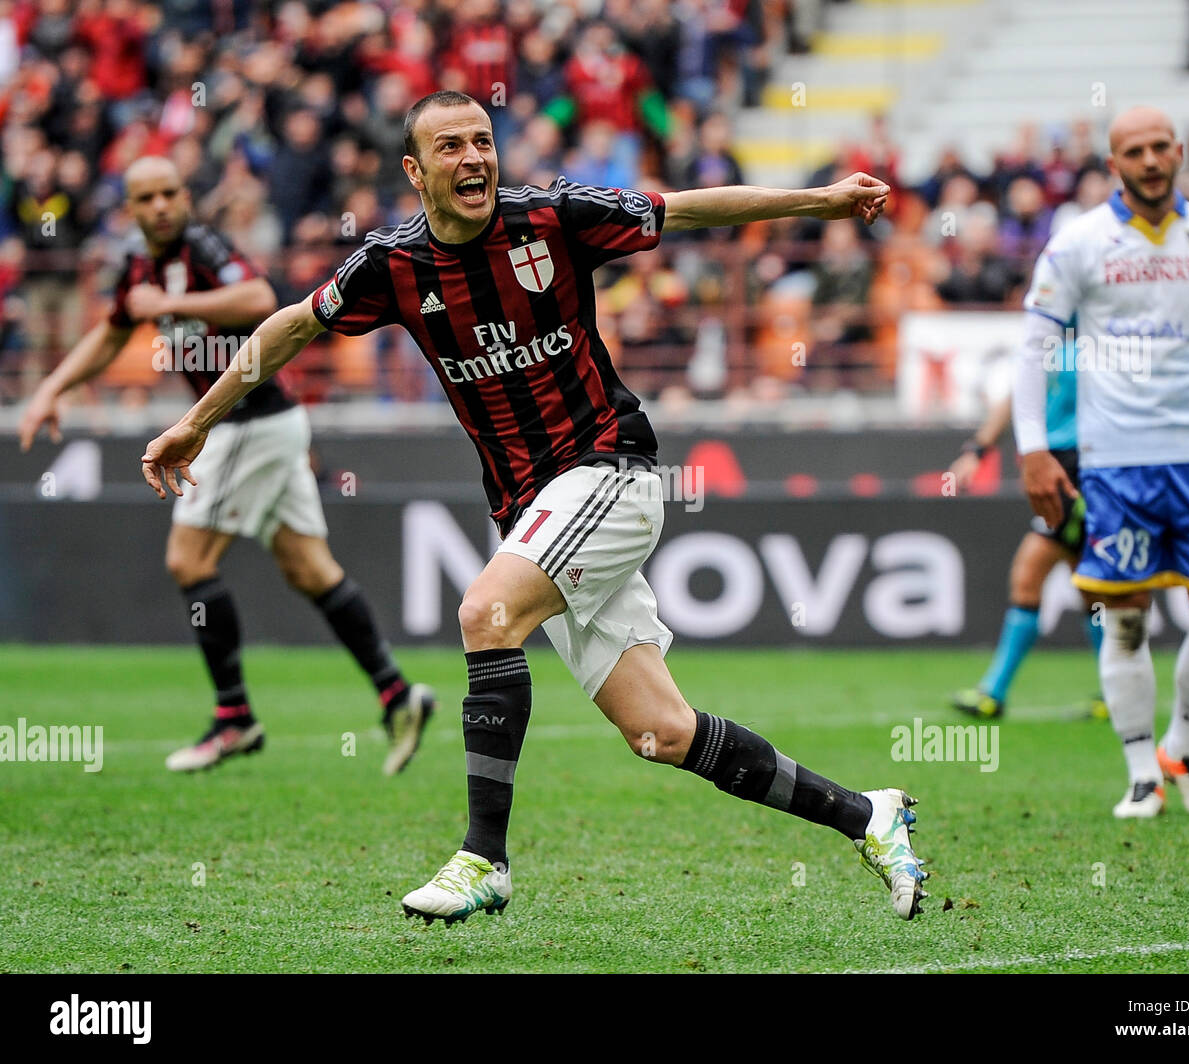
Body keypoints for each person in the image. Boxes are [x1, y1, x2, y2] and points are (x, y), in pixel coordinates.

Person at [141, 91, 929, 923]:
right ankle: (867, 815)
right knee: (660, 732)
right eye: (450, 147)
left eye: (482, 140)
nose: (474, 158)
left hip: (609, 472)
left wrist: (823, 198)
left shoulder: (554, 217)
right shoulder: (393, 265)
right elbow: (292, 327)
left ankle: (484, 858)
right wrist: (196, 422)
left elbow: (688, 209)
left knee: (486, 609)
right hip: (531, 508)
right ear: (415, 171)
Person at [19, 156, 434, 776]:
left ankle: (234, 718)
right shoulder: (142, 263)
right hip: (271, 426)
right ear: (130, 210)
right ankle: (397, 693)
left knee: (188, 560)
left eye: (169, 193)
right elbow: (112, 330)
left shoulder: (203, 246)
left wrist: (174, 298)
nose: (160, 206)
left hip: (246, 424)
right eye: (146, 199)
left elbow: (260, 298)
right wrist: (53, 386)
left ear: (185, 195)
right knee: (311, 569)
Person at [1012, 107, 1189, 818]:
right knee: (1125, 619)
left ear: (1178, 153)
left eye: (1159, 147)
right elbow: (1033, 343)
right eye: (1132, 150)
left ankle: (1185, 747)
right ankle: (1142, 769)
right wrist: (1032, 447)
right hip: (1116, 462)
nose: (1148, 160)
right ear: (1114, 164)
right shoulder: (1079, 242)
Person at [947, 377, 1108, 721]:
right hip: (1055, 466)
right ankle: (1116, 694)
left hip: (1083, 470)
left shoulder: (1099, 342)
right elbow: (1018, 393)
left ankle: (993, 692)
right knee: (1090, 590)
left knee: (1030, 575)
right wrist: (977, 450)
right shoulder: (1047, 339)